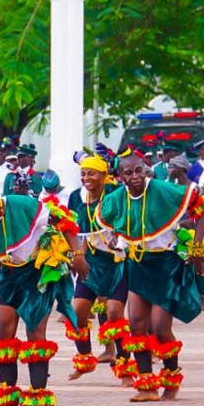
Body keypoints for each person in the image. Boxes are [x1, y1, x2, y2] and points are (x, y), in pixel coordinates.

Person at [97, 148, 204, 402]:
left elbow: (202, 205)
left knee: (161, 328)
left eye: (139, 169)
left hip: (166, 265)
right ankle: (147, 385)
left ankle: (171, 378)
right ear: (119, 176)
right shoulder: (116, 199)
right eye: (128, 172)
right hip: (138, 264)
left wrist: (196, 246)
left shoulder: (162, 189)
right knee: (137, 326)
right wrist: (113, 240)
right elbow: (106, 223)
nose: (136, 176)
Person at [0, 190, 86, 406]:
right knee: (3, 334)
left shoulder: (21, 204)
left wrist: (78, 254)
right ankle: (7, 397)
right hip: (6, 277)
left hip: (37, 275)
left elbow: (63, 220)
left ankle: (37, 398)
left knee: (35, 334)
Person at [65, 153, 132, 384]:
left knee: (114, 313)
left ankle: (125, 369)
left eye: (91, 173)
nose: (86, 178)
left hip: (116, 262)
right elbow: (74, 229)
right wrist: (77, 255)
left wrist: (119, 237)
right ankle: (84, 358)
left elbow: (128, 219)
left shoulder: (115, 195)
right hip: (91, 261)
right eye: (83, 173)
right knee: (78, 311)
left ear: (104, 175)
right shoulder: (76, 197)